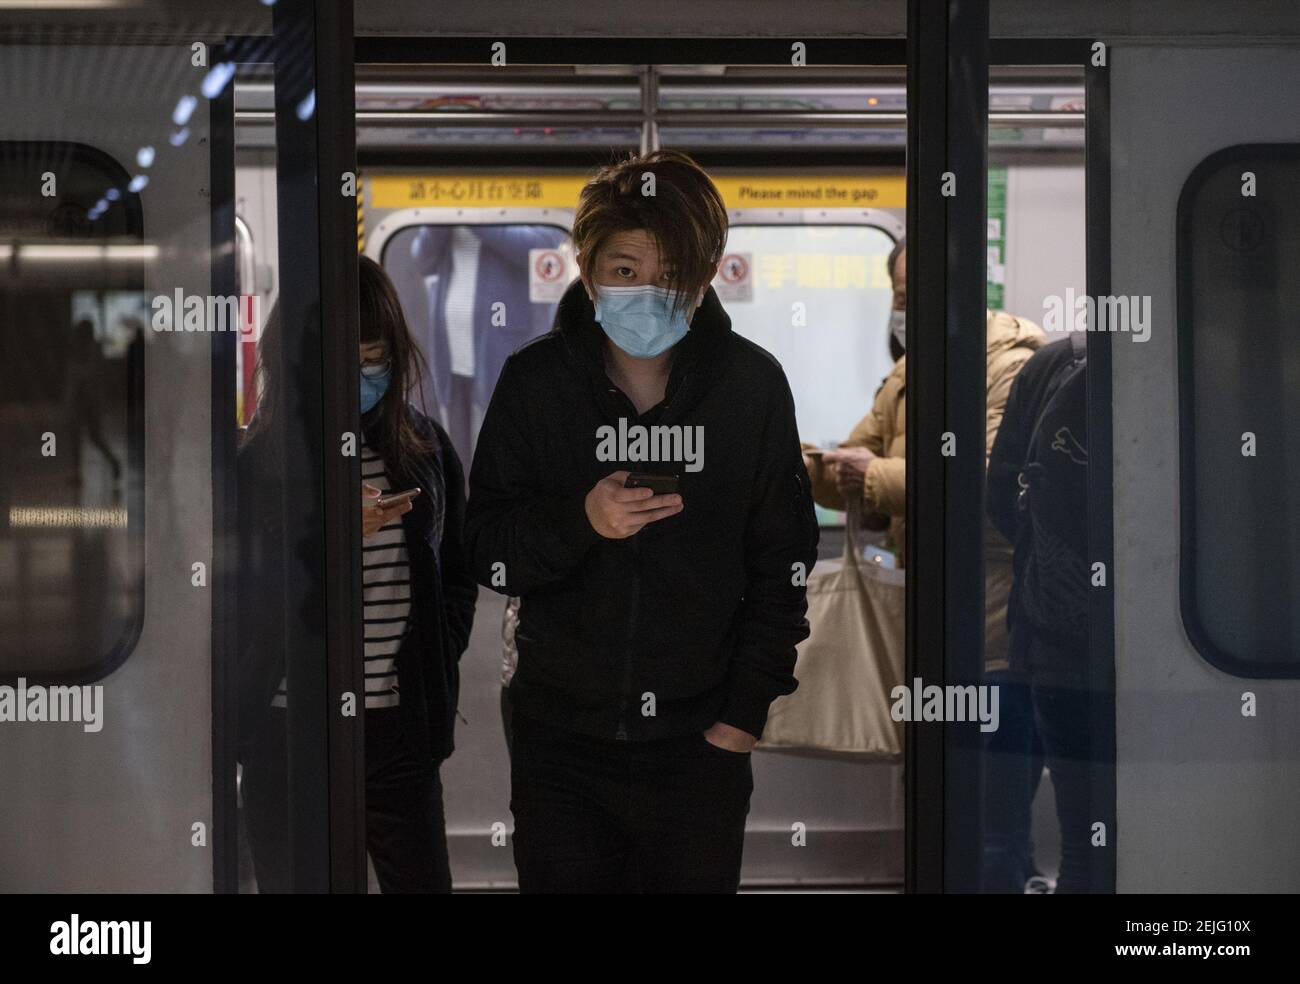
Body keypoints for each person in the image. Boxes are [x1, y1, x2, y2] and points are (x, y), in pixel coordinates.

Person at [464, 149, 819, 894]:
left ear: (705, 272)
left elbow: (784, 566)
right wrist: (581, 521)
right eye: (625, 271)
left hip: (699, 743)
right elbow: (488, 549)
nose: (647, 292)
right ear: (588, 270)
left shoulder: (751, 388)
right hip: (559, 738)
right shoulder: (536, 383)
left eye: (671, 273)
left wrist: (738, 723)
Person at [806, 238, 1048, 892]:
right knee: (936, 816)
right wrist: (803, 465)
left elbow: (1001, 486)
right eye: (903, 295)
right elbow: (858, 466)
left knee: (991, 831)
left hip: (996, 637)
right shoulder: (912, 372)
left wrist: (875, 477)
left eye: (924, 294)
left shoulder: (1010, 365)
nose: (909, 307)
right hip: (930, 638)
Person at [237, 256, 477, 893]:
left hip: (397, 728)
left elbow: (455, 573)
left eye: (375, 361)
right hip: (288, 727)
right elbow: (235, 593)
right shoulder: (259, 465)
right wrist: (326, 539)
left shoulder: (423, 452)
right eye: (343, 362)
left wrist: (434, 659)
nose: (363, 378)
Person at [988, 333, 1109, 893]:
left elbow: (1001, 495)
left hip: (1056, 637)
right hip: (1167, 648)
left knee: (1084, 842)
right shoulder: (1206, 354)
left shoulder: (1050, 363)